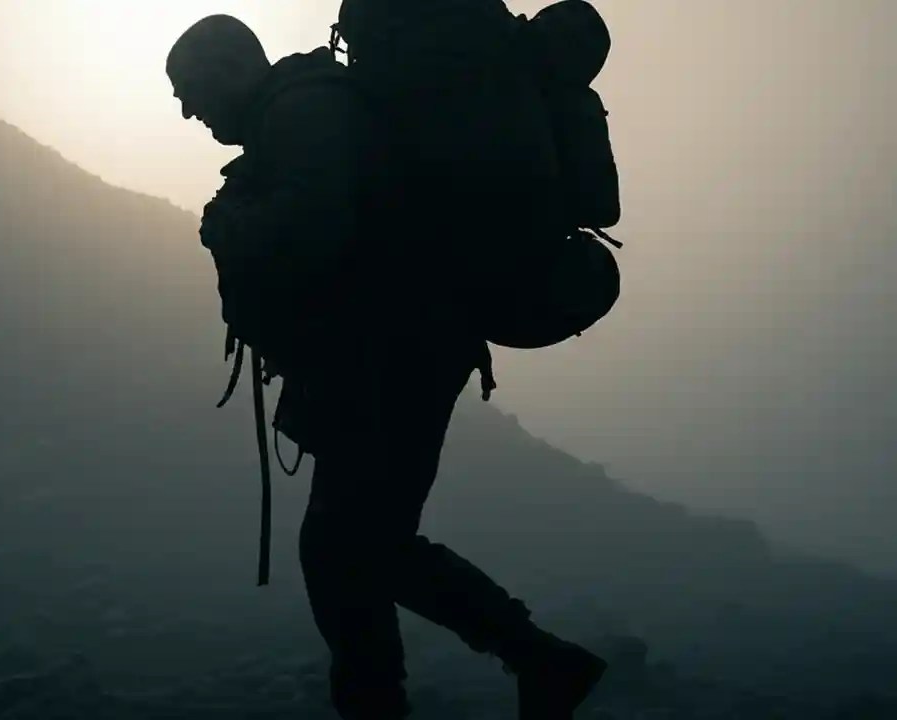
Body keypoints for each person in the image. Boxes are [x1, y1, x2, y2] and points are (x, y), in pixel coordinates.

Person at [166, 14, 607, 719]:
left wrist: (227, 227)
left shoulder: (306, 113)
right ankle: (535, 661)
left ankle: (521, 665)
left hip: (392, 361)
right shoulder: (304, 110)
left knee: (345, 549)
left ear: (231, 67)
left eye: (190, 89)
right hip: (393, 355)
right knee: (358, 547)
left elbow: (316, 230)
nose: (189, 110)